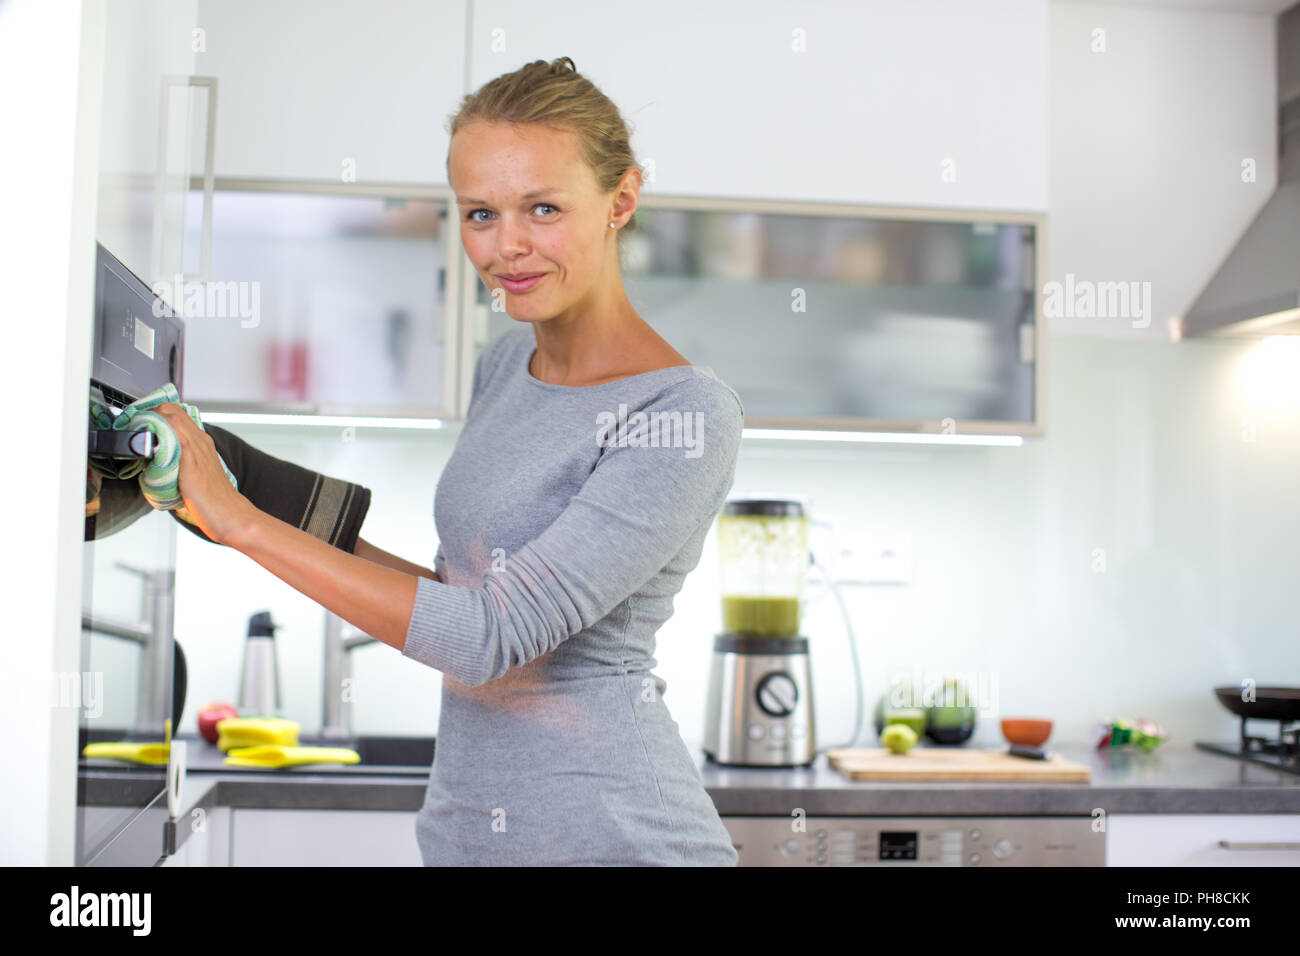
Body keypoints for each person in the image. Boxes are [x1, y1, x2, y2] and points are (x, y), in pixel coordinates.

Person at [156, 56, 743, 866]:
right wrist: (231, 475)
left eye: (543, 208)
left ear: (623, 199)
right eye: (479, 214)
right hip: (470, 831)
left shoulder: (681, 412)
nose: (507, 249)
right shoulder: (505, 366)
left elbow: (487, 637)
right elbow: (459, 601)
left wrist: (245, 525)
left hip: (611, 837)